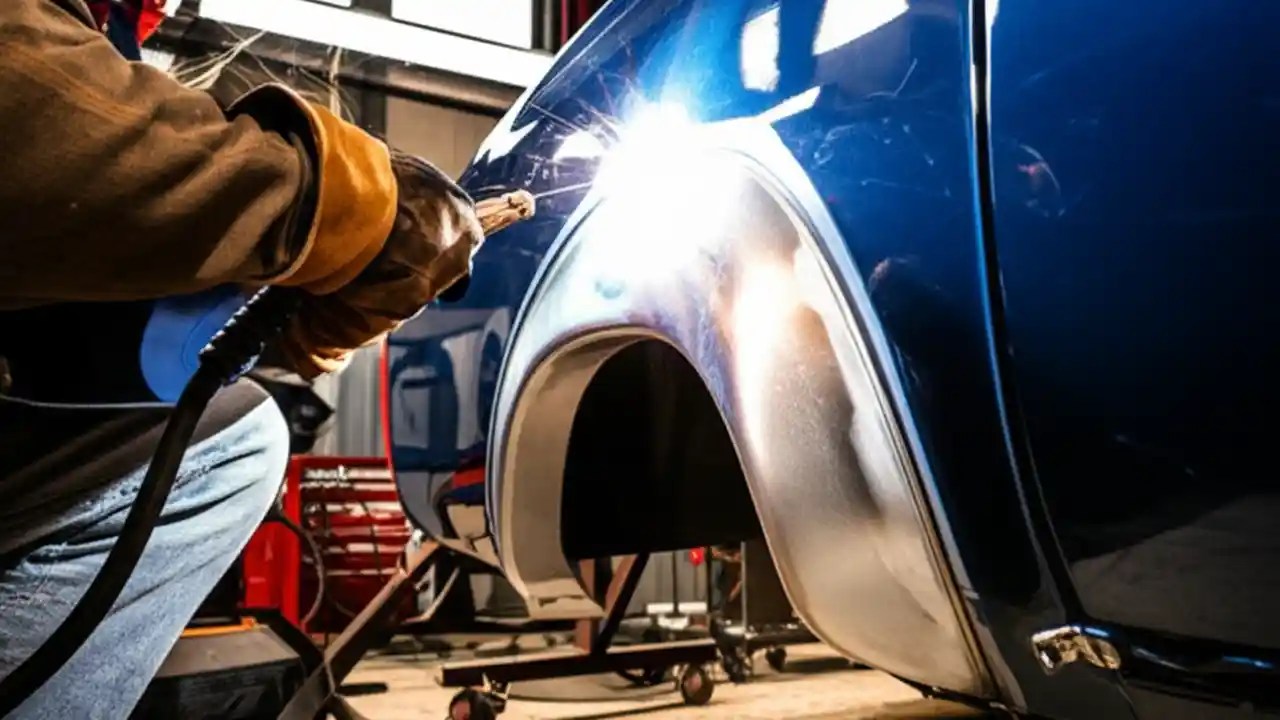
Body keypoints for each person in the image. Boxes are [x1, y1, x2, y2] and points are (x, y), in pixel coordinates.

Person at [0, 0, 486, 716]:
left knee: (228, 423)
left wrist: (278, 307)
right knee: (228, 447)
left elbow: (92, 273)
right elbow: (32, 123)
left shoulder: (113, 31)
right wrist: (326, 203)